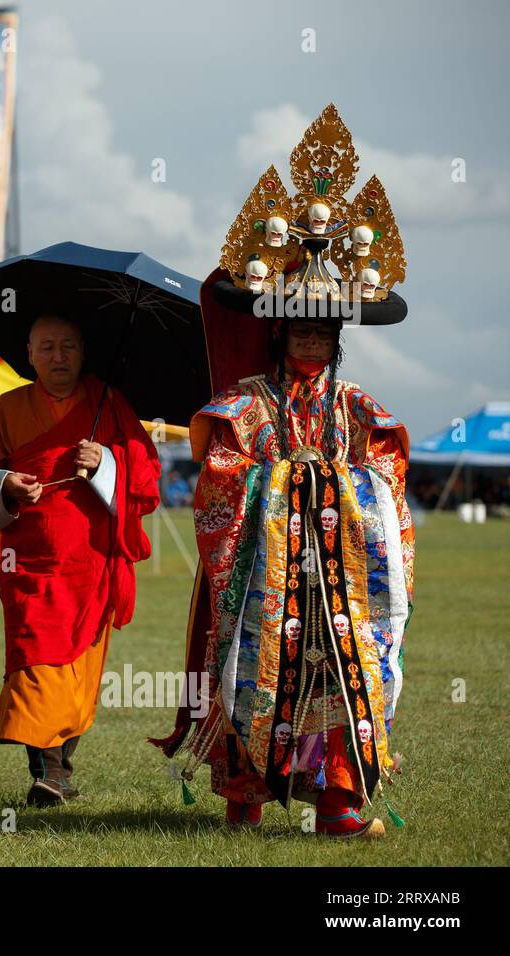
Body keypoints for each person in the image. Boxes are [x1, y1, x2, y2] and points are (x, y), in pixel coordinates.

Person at [152, 316, 413, 838]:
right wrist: (291, 480)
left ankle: (336, 805)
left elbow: (389, 471)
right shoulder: (248, 403)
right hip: (260, 576)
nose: (312, 343)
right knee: (250, 673)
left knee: (341, 679)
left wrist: (333, 483)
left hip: (338, 583)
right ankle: (243, 803)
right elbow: (220, 477)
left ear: (337, 341)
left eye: (323, 334)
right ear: (280, 336)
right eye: (302, 333)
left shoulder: (355, 405)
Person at [0, 315, 160, 805]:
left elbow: (145, 472)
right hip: (28, 558)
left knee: (79, 668)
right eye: (48, 347)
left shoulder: (110, 404)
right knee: (36, 655)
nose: (59, 357)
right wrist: (6, 483)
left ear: (83, 352)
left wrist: (107, 462)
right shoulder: (8, 408)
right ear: (29, 355)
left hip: (92, 558)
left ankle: (59, 769)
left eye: (69, 346)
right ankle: (48, 771)